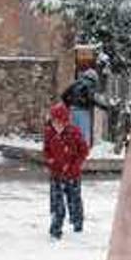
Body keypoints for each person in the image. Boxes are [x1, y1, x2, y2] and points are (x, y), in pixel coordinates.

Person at [43, 101, 89, 240]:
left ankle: (77, 223)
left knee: (74, 200)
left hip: (72, 174)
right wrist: (50, 161)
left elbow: (83, 150)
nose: (57, 126)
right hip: (56, 174)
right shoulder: (49, 133)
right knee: (57, 203)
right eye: (54, 122)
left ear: (65, 122)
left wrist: (74, 166)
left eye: (60, 122)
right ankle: (55, 230)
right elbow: (47, 150)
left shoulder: (74, 132)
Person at [61, 68, 108, 146]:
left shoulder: (75, 83)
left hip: (73, 110)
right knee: (84, 133)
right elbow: (91, 98)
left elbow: (64, 95)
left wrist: (69, 105)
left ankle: (72, 150)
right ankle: (83, 151)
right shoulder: (90, 84)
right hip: (83, 110)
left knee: (73, 131)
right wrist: (103, 107)